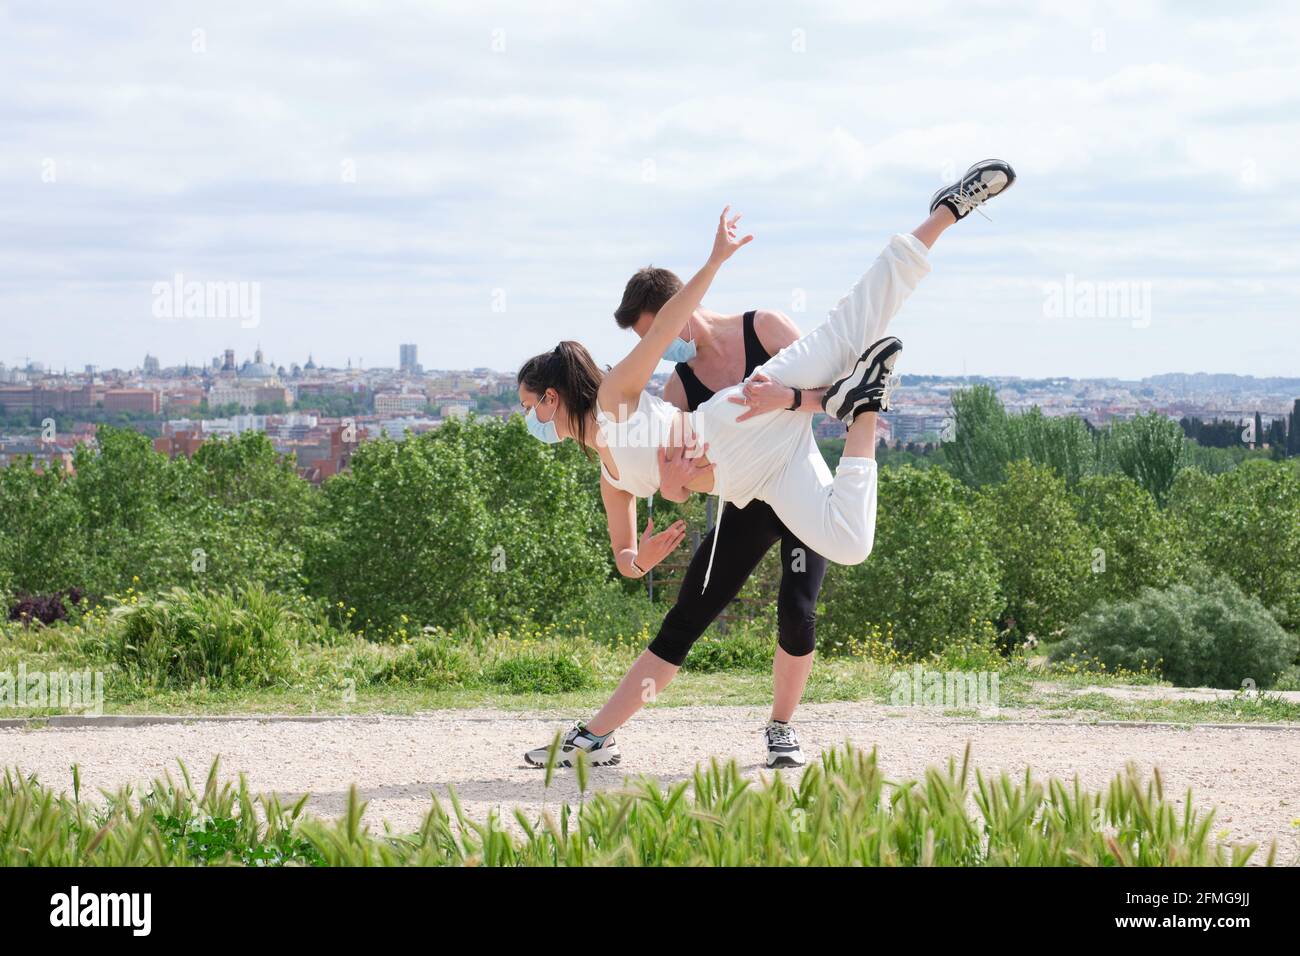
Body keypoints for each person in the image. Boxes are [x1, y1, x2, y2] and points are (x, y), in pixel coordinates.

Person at [519, 159, 1016, 769]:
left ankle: (944, 213)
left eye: (531, 408)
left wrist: (715, 262)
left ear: (553, 397)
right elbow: (626, 558)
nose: (533, 423)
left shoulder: (618, 398)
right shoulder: (609, 476)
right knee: (852, 541)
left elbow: (666, 327)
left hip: (738, 423)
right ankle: (864, 408)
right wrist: (643, 553)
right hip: (754, 479)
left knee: (846, 330)